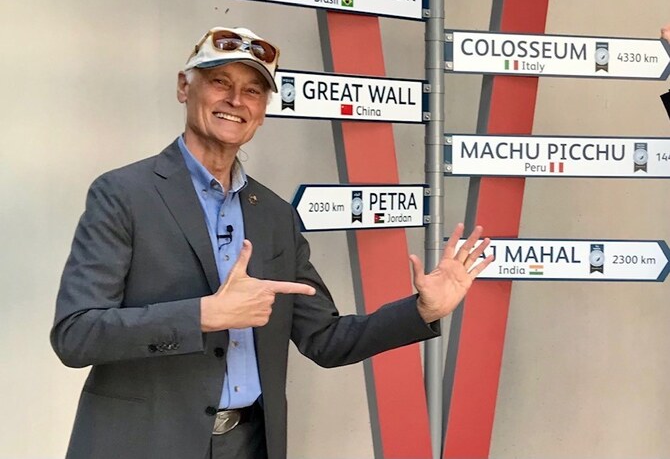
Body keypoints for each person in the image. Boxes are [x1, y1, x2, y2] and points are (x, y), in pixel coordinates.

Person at [51, 26, 493, 459]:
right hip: (144, 444)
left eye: (253, 91)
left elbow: (326, 338)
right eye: (220, 81)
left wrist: (422, 311)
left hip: (249, 444)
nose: (235, 101)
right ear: (185, 87)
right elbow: (77, 335)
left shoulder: (276, 215)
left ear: (262, 112)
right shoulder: (123, 194)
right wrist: (205, 315)